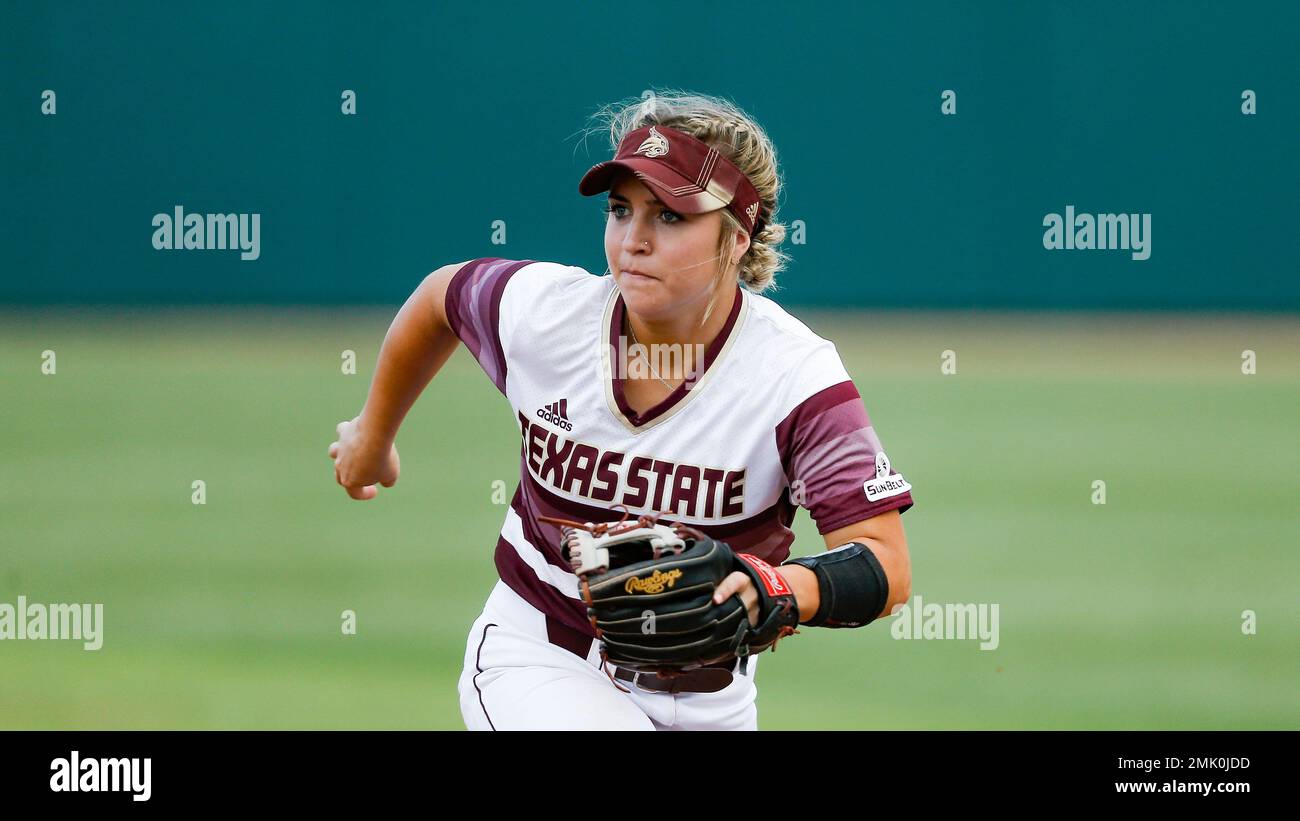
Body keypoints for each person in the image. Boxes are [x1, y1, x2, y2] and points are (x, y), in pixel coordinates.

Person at [328, 91, 915, 730]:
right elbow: (442, 296)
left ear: (736, 237)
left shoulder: (793, 377)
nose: (633, 239)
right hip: (540, 657)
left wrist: (776, 589)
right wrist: (371, 434)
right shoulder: (549, 316)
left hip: (711, 699)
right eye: (620, 209)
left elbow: (884, 565)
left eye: (669, 216)